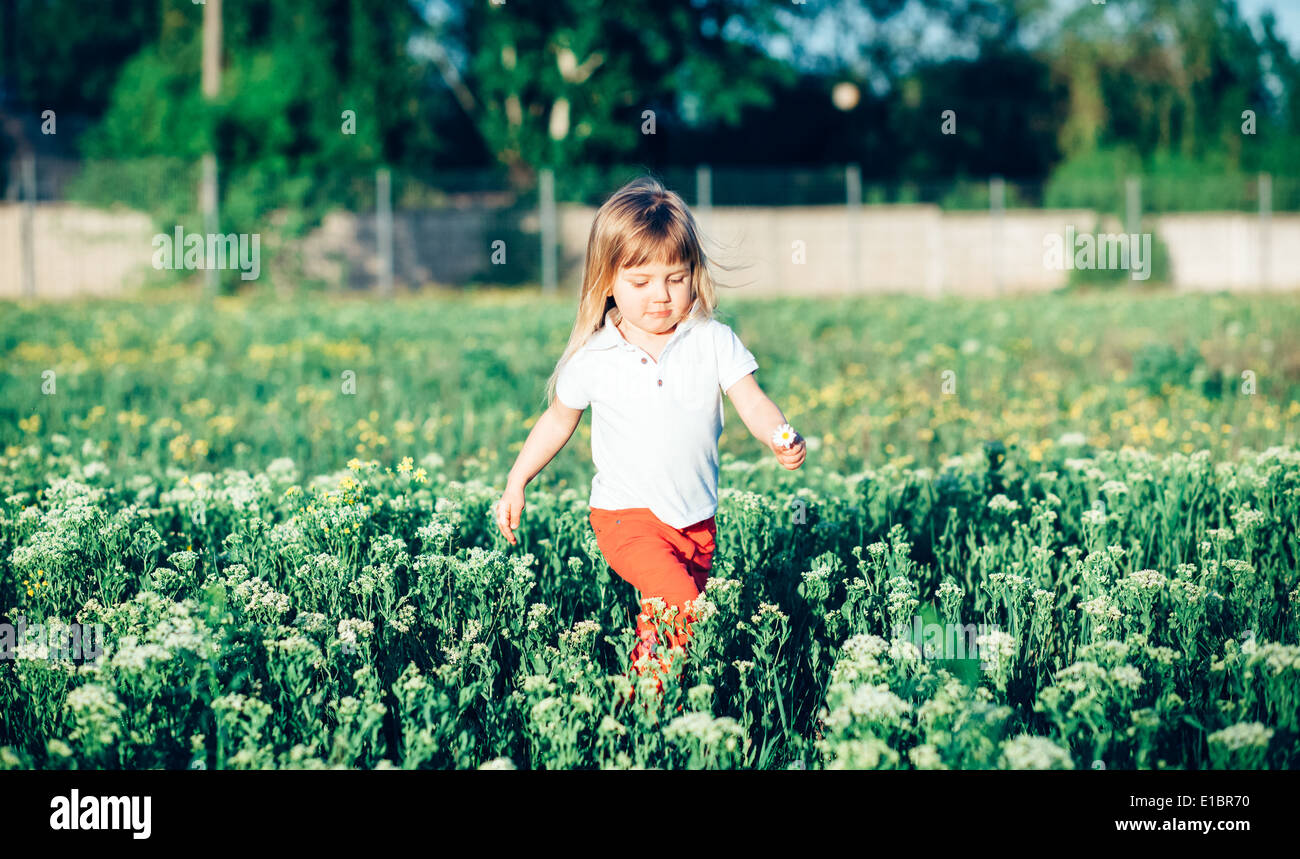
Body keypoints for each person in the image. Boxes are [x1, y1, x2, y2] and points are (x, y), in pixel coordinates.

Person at [496, 175, 805, 710]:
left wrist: (780, 436)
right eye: (640, 282)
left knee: (665, 628)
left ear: (694, 277)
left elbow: (752, 400)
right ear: (608, 282)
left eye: (675, 278)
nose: (660, 296)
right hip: (625, 518)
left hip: (697, 521)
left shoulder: (712, 340)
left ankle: (642, 716)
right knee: (686, 608)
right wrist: (516, 480)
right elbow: (557, 421)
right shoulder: (595, 357)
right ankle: (643, 711)